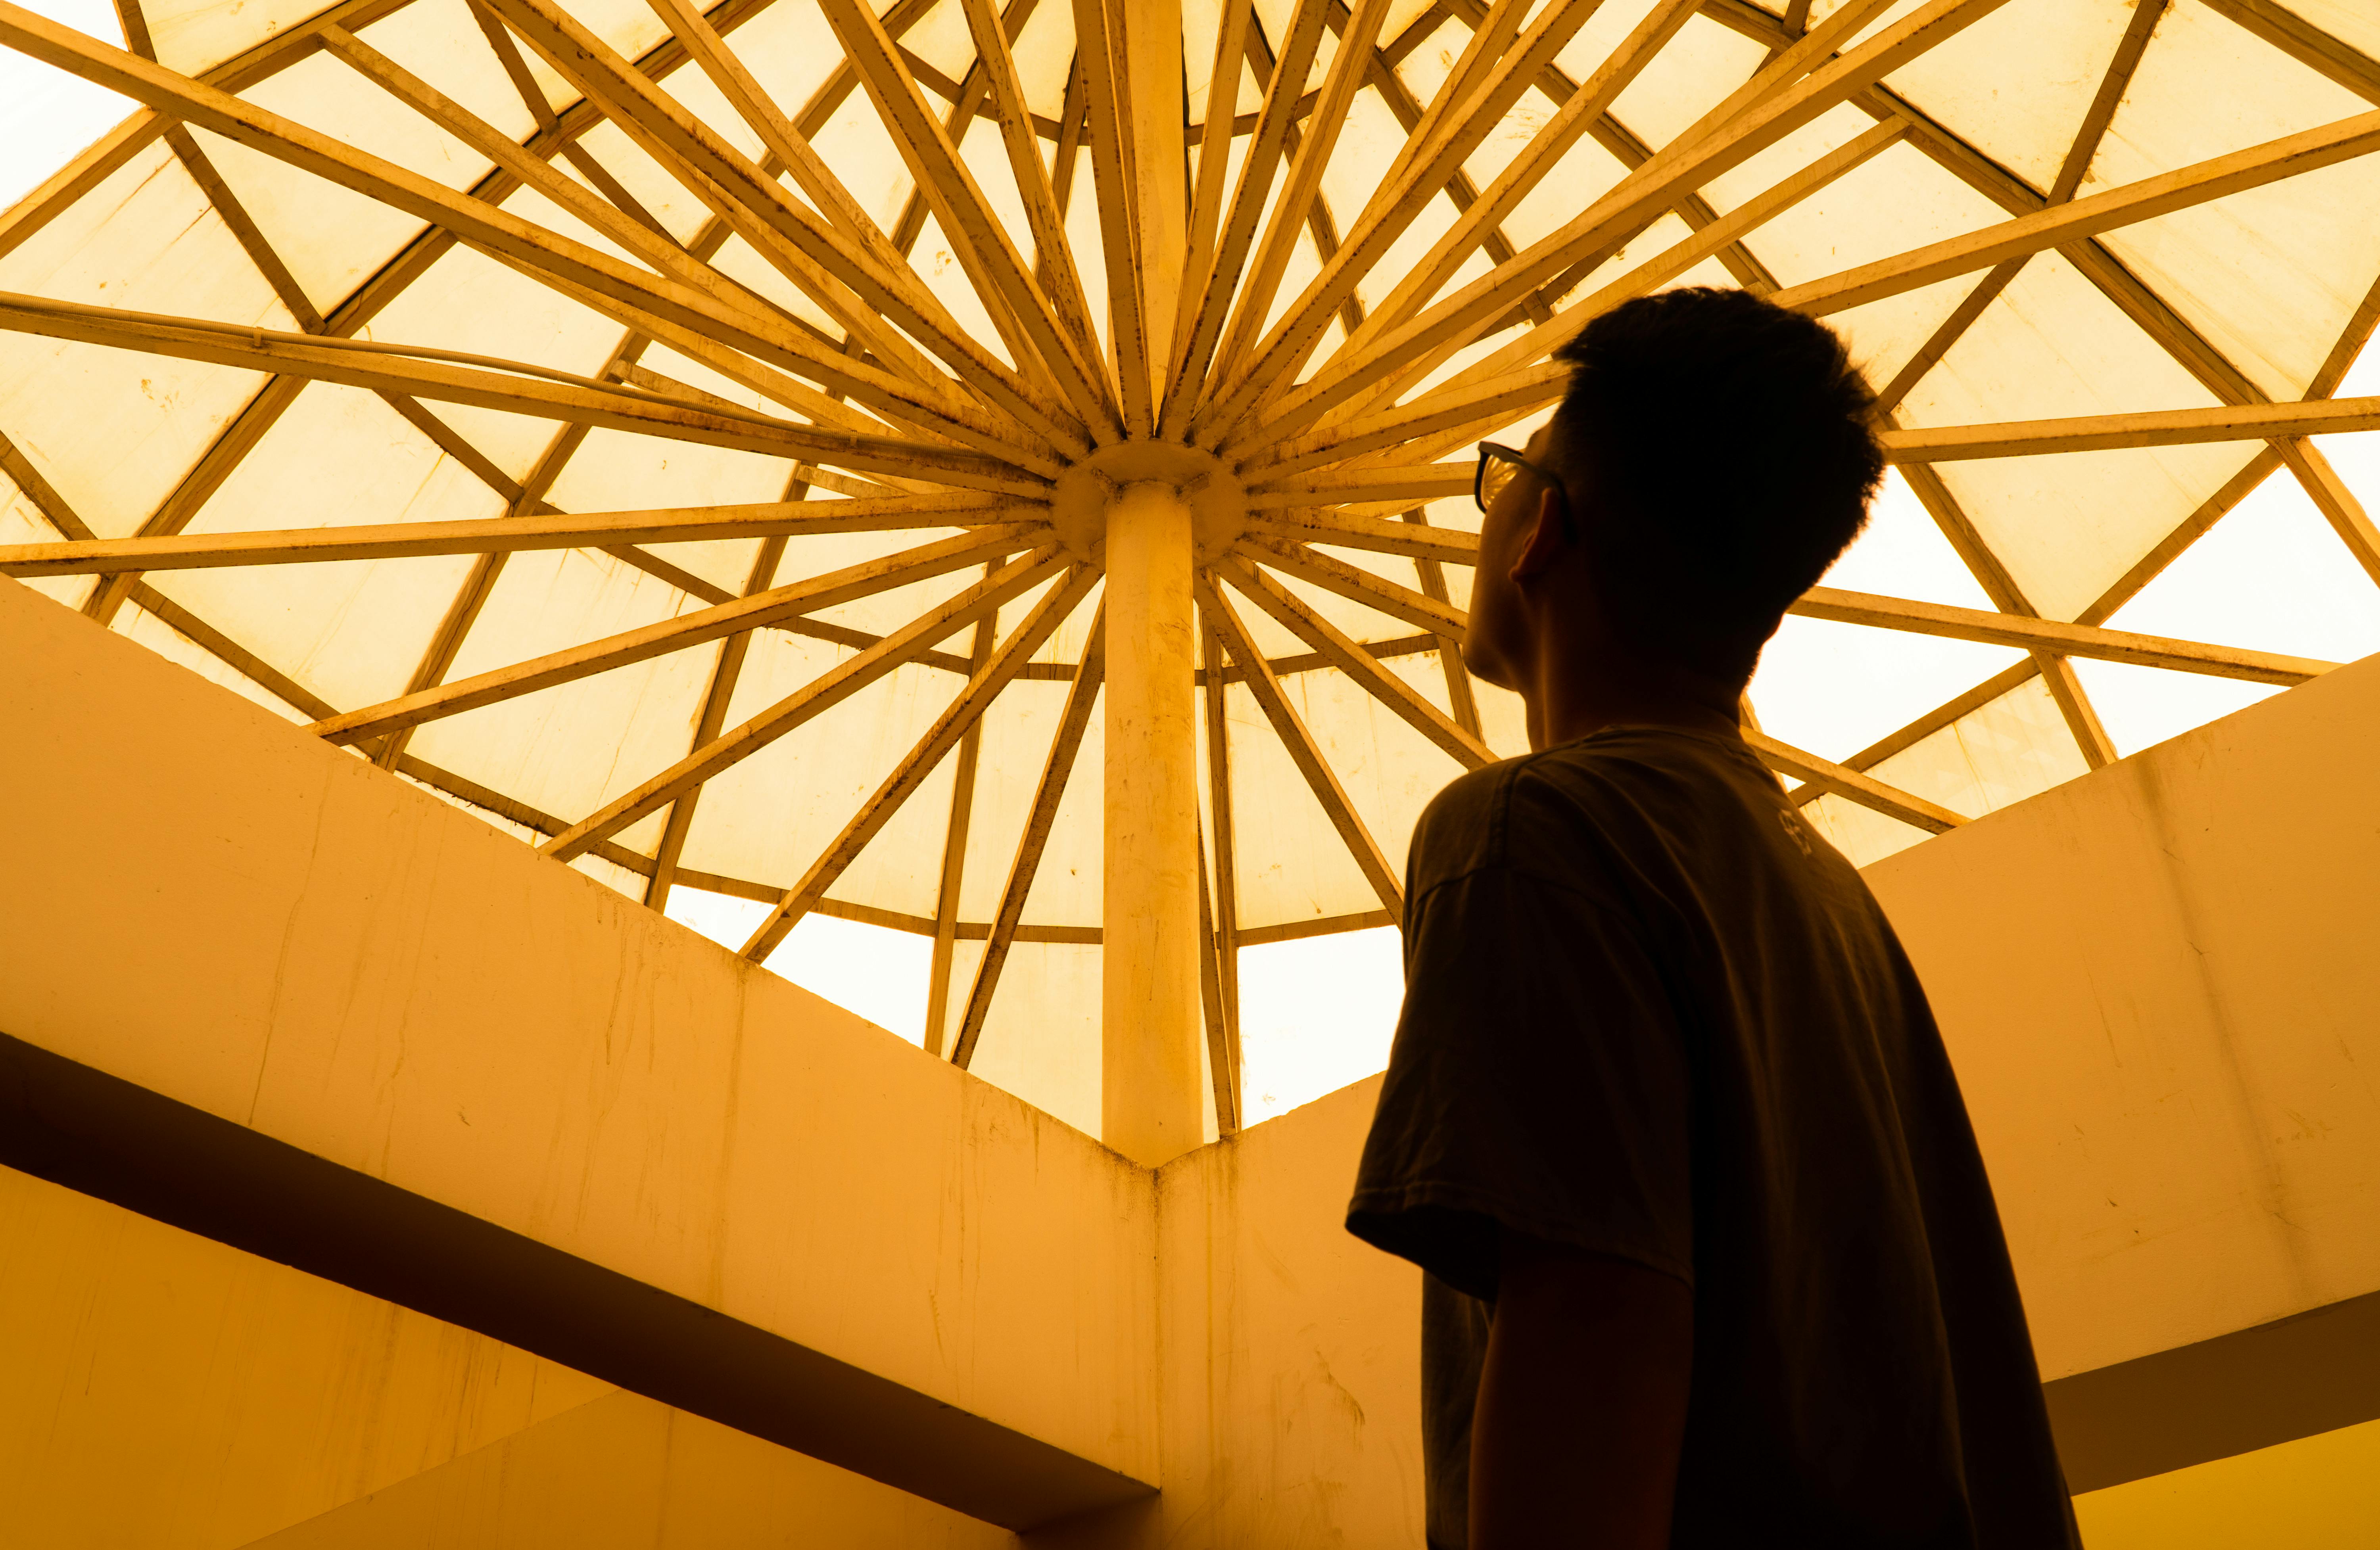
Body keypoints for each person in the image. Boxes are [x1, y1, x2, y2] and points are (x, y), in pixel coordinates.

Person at [1344, 287, 2081, 1550]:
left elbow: (1595, 1331)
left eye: (1508, 471)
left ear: (1541, 534)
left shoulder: (1532, 834)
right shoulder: (1828, 899)